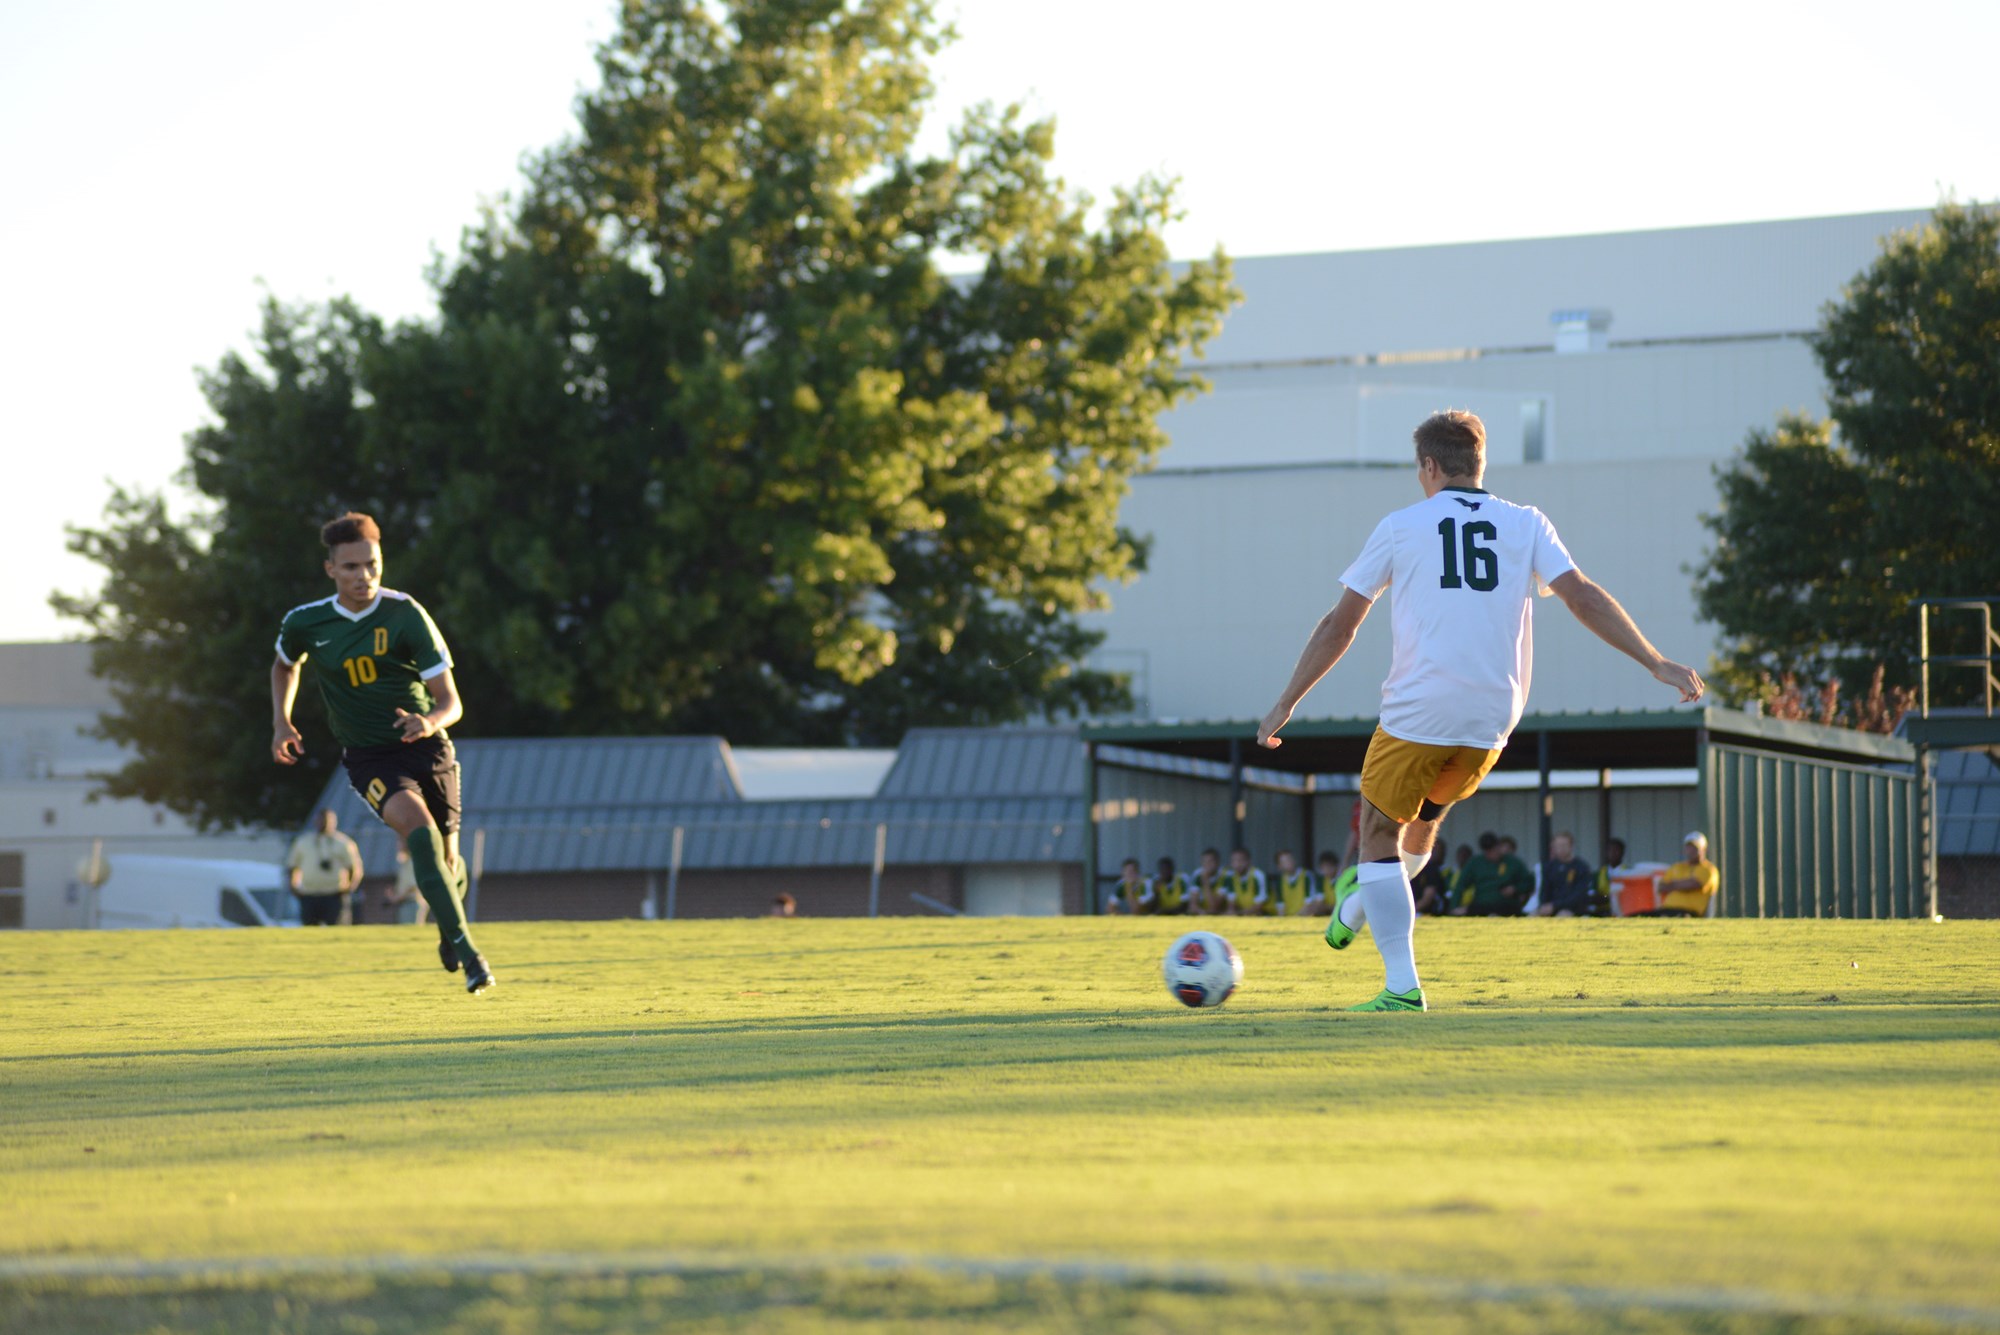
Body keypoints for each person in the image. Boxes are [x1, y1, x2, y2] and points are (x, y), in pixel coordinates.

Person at [1257, 409, 1703, 1011]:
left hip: (1420, 710)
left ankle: (1399, 987)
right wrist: (1655, 662)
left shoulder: (1401, 526)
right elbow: (1583, 597)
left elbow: (1340, 626)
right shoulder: (1527, 523)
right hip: (1493, 719)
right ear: (1481, 464)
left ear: (1430, 466)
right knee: (1422, 823)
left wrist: (1286, 701)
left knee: (1378, 835)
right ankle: (1361, 902)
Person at [271, 512, 494, 993]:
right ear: (331, 569)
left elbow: (450, 701)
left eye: (371, 564)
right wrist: (281, 720)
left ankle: (446, 928)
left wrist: (427, 721)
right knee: (419, 834)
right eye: (351, 567)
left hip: (427, 748)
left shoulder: (405, 613)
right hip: (370, 757)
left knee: (451, 867)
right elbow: (284, 665)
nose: (364, 576)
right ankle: (472, 955)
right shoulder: (307, 622)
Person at [285, 808, 362, 927]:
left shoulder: (343, 843)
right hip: (309, 894)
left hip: (334, 895)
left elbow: (353, 867)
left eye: (327, 820)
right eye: (320, 820)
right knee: (309, 929)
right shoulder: (303, 842)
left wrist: (349, 887)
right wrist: (293, 886)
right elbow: (292, 866)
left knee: (336, 928)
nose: (323, 823)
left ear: (334, 822)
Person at [1635, 832, 1720, 917]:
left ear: (1703, 849)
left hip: (1688, 912)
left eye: (1695, 847)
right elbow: (1661, 886)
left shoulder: (1708, 869)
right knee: (1638, 916)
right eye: (1689, 847)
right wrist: (1682, 884)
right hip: (1667, 909)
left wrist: (1673, 884)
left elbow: (1693, 884)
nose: (1691, 850)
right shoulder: (1677, 866)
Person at [1452, 832, 1535, 916]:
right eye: (1489, 852)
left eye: (1495, 850)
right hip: (1482, 906)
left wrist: (1515, 889)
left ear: (1499, 846)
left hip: (1507, 906)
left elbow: (1528, 882)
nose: (1493, 854)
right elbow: (1460, 886)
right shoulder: (1475, 863)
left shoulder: (1513, 862)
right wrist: (1454, 907)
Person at [1536, 831, 1597, 917]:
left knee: (1562, 917)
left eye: (1564, 845)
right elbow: (1544, 890)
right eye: (1558, 846)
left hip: (1574, 909)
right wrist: (1544, 906)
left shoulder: (1581, 867)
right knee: (1532, 917)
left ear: (1571, 846)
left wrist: (1555, 906)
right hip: (1551, 907)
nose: (1561, 849)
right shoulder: (1549, 867)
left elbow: (1579, 895)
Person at [382, 839, 428, 926]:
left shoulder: (412, 862)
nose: (398, 847)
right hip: (406, 903)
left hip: (412, 903)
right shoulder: (406, 863)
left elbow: (412, 886)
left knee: (412, 932)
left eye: (400, 844)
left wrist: (397, 898)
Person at [1219, 847, 1267, 915]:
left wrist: (1237, 913)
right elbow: (1231, 903)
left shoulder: (1258, 875)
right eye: (1234, 861)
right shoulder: (1231, 877)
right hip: (1244, 915)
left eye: (1240, 860)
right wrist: (1231, 912)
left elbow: (1259, 906)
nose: (1237, 864)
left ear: (1248, 861)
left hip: (1265, 915)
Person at [1269, 850, 1317, 916]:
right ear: (1279, 866)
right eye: (1284, 861)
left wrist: (1295, 918)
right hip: (1289, 920)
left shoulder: (1306, 876)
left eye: (1290, 859)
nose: (1289, 862)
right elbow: (1280, 907)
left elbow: (1310, 903)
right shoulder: (1279, 882)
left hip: (1305, 918)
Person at [1410, 844, 1450, 915]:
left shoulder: (1430, 870)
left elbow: (1427, 899)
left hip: (1424, 912)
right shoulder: (1406, 867)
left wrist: (1410, 912)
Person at [1594, 838, 1633, 912]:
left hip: (1624, 910)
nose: (1613, 853)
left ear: (1622, 853)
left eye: (1616, 850)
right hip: (1603, 911)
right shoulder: (1599, 873)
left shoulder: (1629, 872)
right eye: (1610, 850)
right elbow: (1594, 894)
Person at [1189, 848, 1227, 915]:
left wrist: (1206, 882)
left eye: (1210, 861)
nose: (1207, 864)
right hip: (1204, 913)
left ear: (1218, 862)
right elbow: (1193, 905)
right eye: (1204, 861)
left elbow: (1215, 906)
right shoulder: (1197, 875)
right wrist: (1201, 912)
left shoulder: (1226, 876)